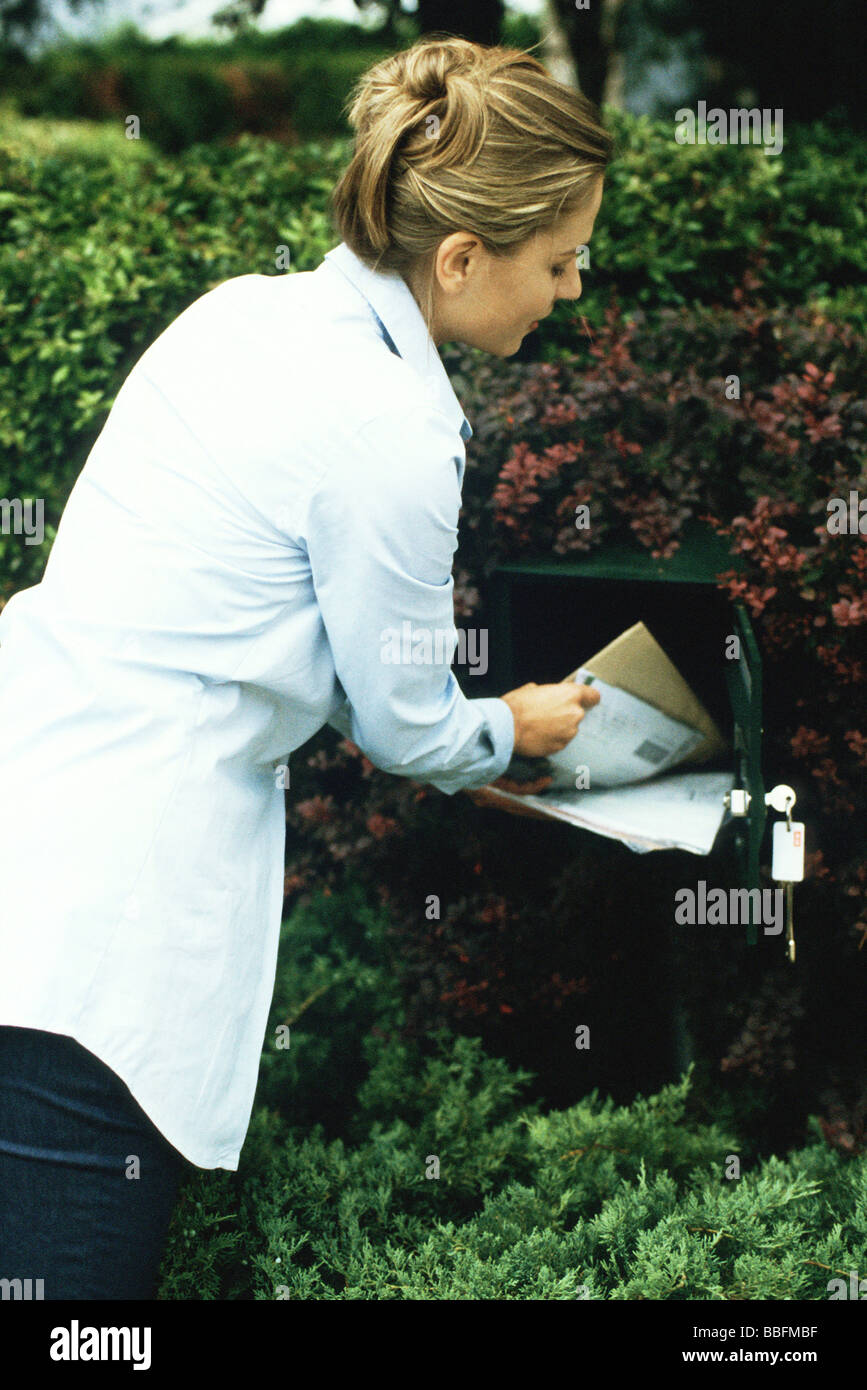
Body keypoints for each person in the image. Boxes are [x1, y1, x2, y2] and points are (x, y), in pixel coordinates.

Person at [0, 34, 609, 1299]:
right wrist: (512, 725)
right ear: (461, 258)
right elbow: (401, 722)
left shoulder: (243, 311)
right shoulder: (389, 425)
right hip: (98, 936)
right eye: (559, 261)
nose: (572, 290)